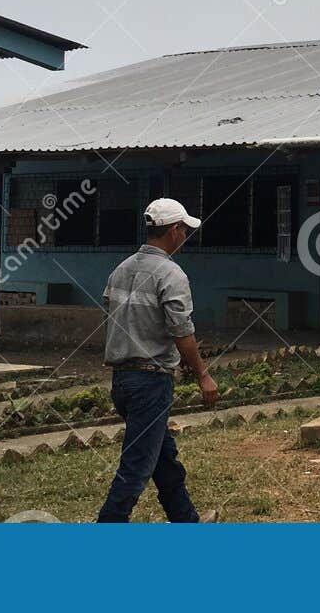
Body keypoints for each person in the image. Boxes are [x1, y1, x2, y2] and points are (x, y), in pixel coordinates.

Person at [96, 198, 220, 523]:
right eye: (184, 230)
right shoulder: (171, 274)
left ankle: (187, 521)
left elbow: (115, 316)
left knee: (164, 460)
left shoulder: (120, 270)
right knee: (136, 467)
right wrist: (203, 375)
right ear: (174, 231)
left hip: (122, 381)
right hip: (150, 382)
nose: (185, 237)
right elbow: (181, 329)